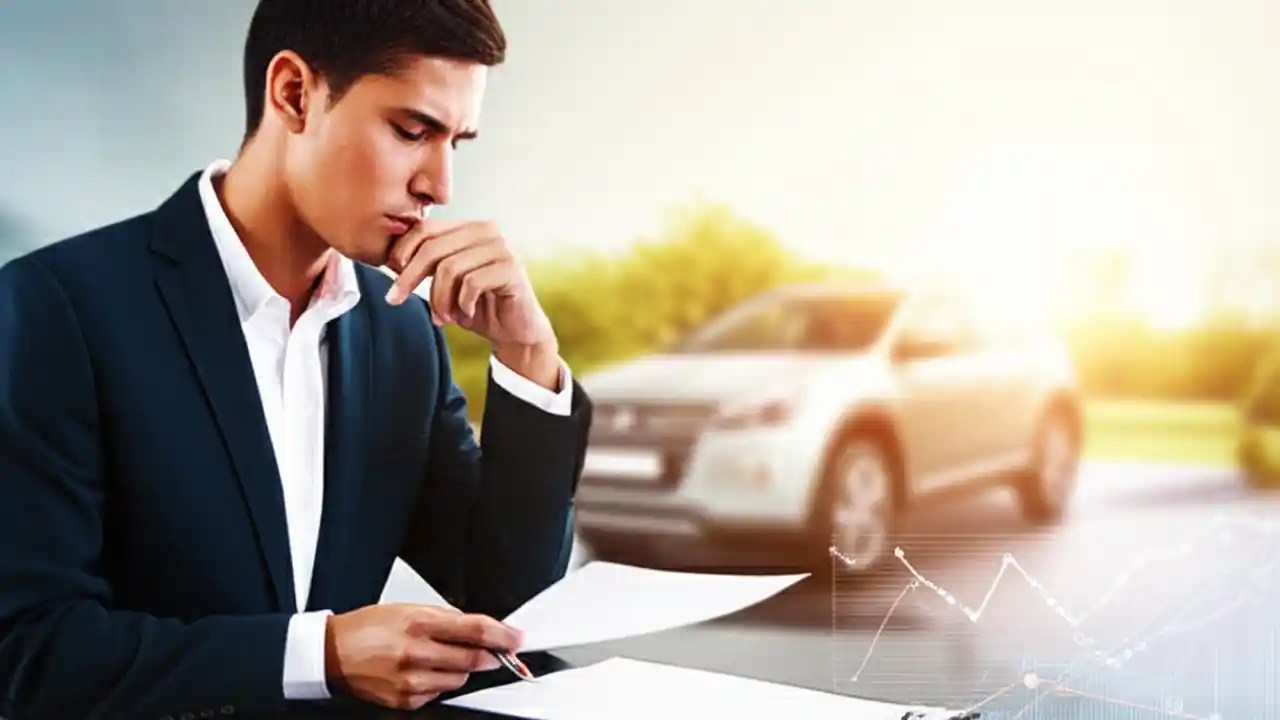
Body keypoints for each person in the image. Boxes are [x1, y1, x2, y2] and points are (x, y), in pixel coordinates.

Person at [0, 1, 592, 717]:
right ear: (293, 94)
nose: (440, 185)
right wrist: (324, 656)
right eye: (412, 131)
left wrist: (528, 353)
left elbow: (504, 602)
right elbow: (30, 654)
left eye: (455, 142)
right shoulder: (56, 309)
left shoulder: (400, 332)